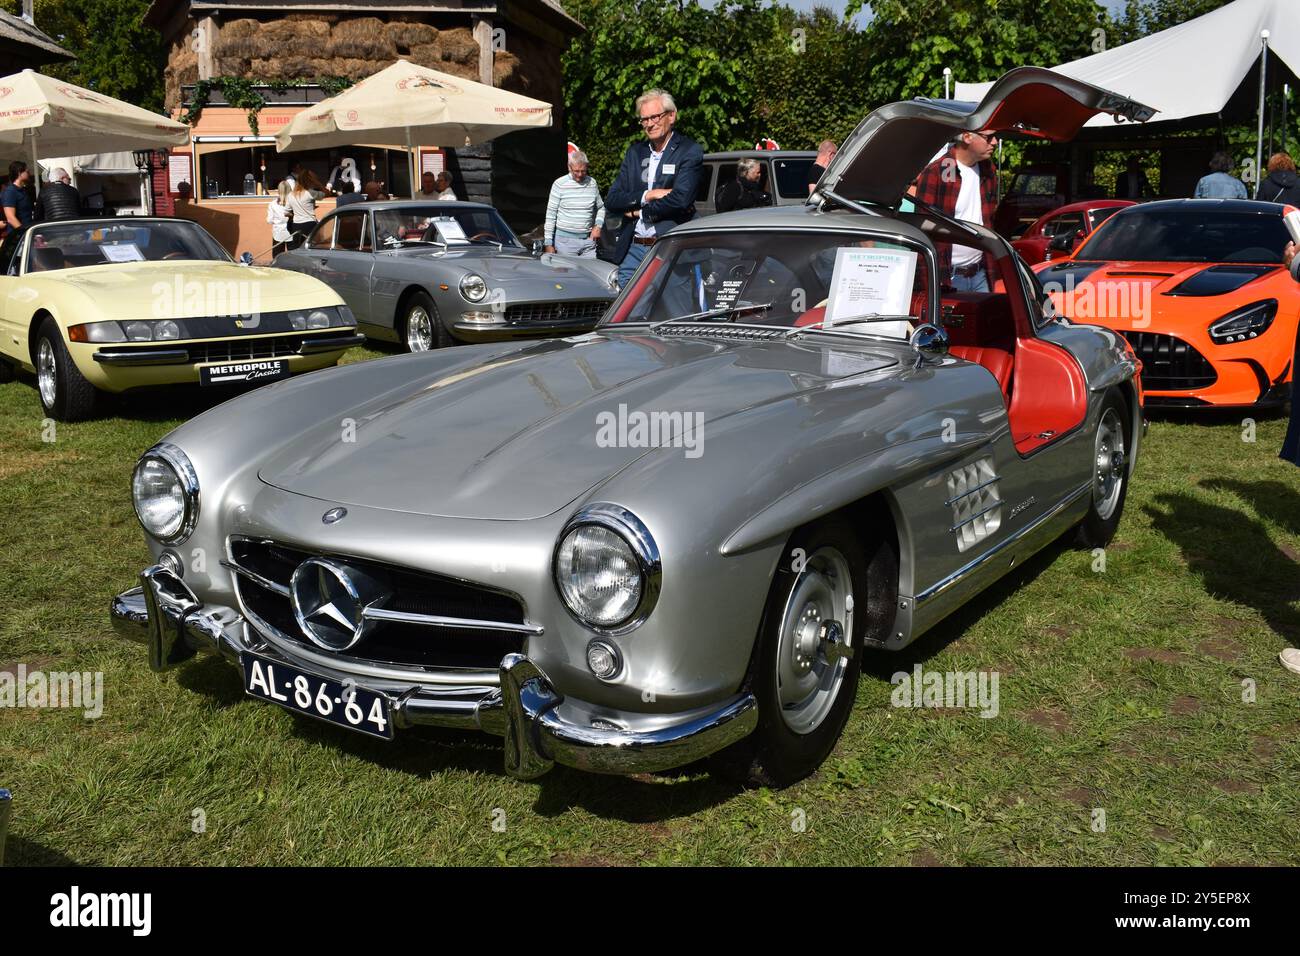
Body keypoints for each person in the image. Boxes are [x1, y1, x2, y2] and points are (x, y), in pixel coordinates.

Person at [605, 88, 704, 286]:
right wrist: (648, 195)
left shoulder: (688, 150)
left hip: (669, 246)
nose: (650, 124)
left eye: (655, 117)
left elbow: (681, 199)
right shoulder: (635, 153)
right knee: (628, 310)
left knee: (673, 309)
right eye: (644, 119)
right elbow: (612, 199)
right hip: (634, 249)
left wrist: (639, 214)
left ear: (671, 116)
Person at [913, 128, 1000, 292]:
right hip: (948, 277)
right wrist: (929, 284)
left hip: (981, 272)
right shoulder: (941, 170)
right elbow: (922, 230)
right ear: (967, 137)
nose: (994, 142)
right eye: (989, 138)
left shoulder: (988, 169)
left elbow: (990, 220)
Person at [543, 149, 604, 257]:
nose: (580, 174)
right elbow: (550, 215)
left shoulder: (592, 183)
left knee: (590, 273)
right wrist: (548, 243)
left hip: (588, 241)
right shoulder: (559, 184)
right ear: (569, 167)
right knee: (567, 274)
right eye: (576, 171)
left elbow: (601, 208)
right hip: (564, 243)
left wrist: (598, 226)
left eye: (583, 171)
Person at [285, 166, 325, 244]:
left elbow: (286, 212)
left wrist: (295, 212)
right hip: (310, 224)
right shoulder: (310, 193)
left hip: (296, 225)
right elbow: (324, 194)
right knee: (311, 247)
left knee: (298, 249)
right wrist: (316, 182)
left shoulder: (290, 195)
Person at [2, 161, 34, 233]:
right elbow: (11, 218)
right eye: (27, 171)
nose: (29, 173)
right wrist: (25, 233)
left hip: (27, 231)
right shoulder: (10, 191)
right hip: (18, 236)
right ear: (19, 173)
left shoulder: (23, 190)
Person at [267, 180, 293, 256]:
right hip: (292, 232)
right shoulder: (293, 202)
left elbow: (269, 220)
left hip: (278, 233)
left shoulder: (272, 204)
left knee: (277, 257)